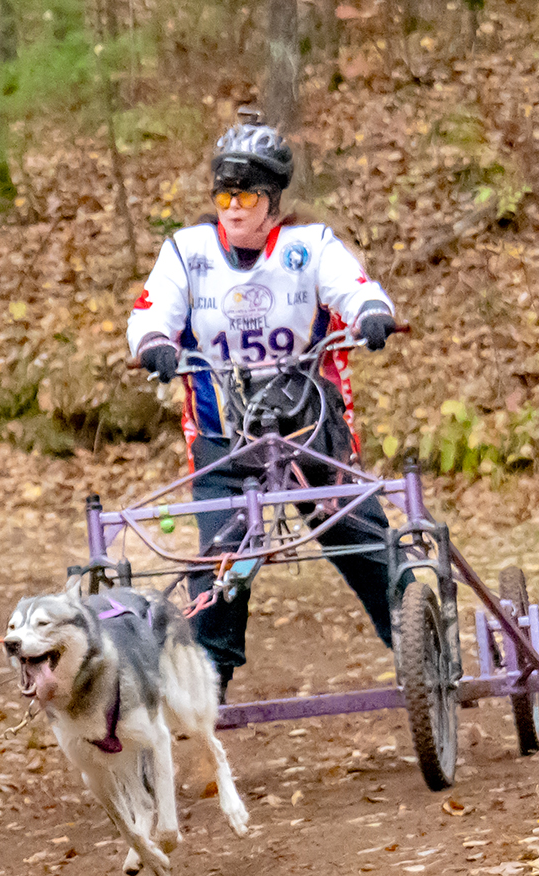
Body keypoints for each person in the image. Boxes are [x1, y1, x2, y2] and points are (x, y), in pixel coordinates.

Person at [126, 116, 400, 699]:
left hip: (308, 428)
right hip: (223, 437)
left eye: (246, 196)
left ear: (273, 201)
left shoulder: (310, 247)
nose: (233, 208)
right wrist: (153, 344)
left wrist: (372, 312)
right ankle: (210, 685)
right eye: (224, 195)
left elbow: (355, 288)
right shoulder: (187, 253)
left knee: (358, 535)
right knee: (223, 558)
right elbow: (151, 313)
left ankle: (418, 642)